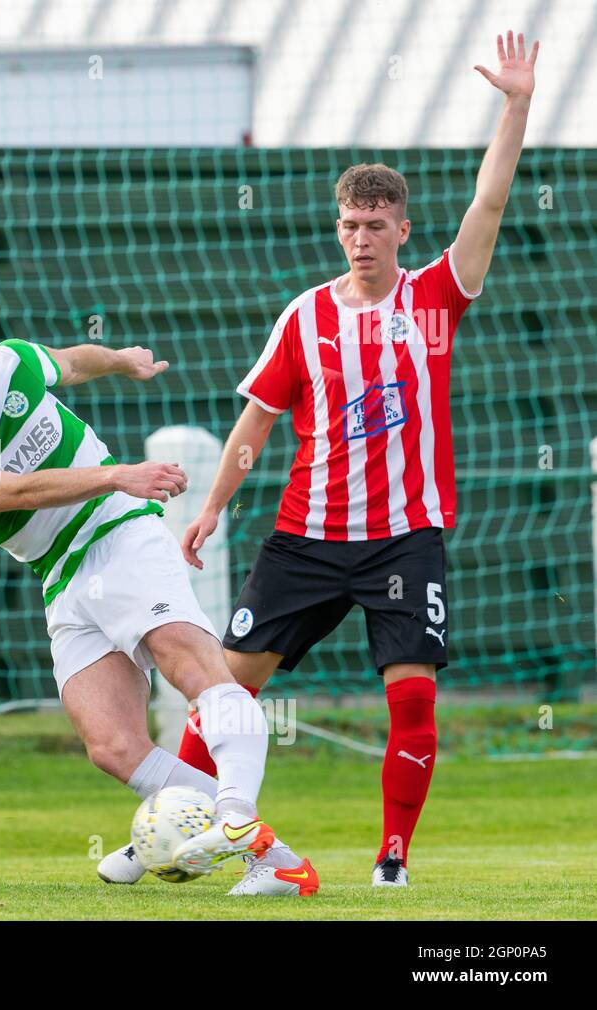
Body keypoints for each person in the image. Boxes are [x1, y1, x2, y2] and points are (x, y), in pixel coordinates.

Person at [179, 32, 540, 887]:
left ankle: (391, 859)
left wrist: (517, 104)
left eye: (376, 225)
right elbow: (255, 423)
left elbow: (487, 205)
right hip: (305, 537)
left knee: (412, 696)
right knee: (225, 694)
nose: (362, 238)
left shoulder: (437, 298)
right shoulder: (304, 316)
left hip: (404, 538)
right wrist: (212, 506)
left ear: (402, 230)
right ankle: (182, 831)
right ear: (337, 229)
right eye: (350, 225)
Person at [0, 308, 316, 895]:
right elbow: (12, 491)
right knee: (112, 746)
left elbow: (69, 362)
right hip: (61, 575)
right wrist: (115, 472)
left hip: (120, 530)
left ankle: (236, 811)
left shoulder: (10, 362)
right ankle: (276, 860)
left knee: (193, 667)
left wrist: (121, 360)